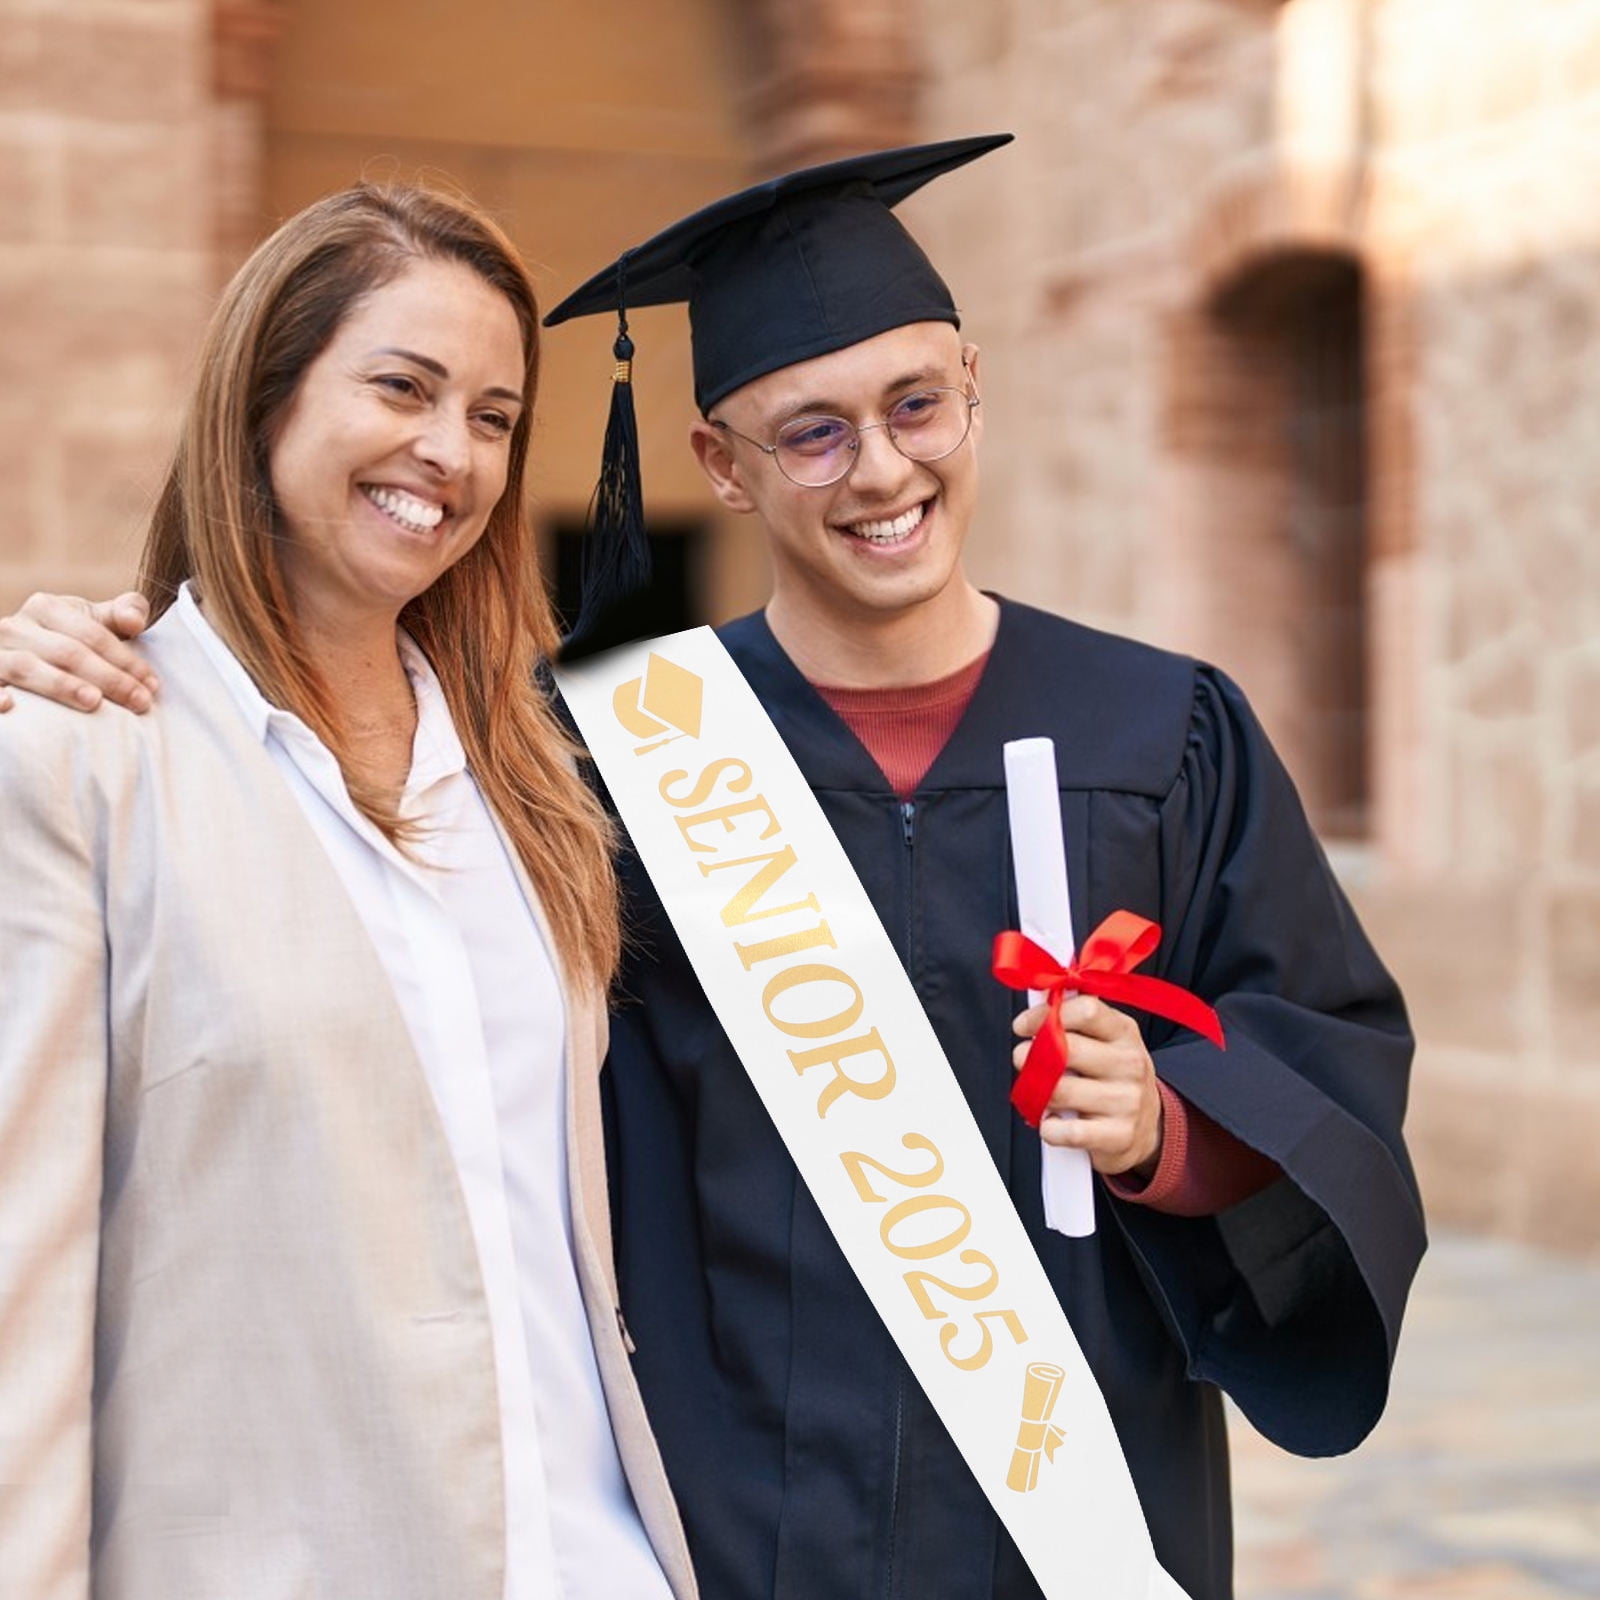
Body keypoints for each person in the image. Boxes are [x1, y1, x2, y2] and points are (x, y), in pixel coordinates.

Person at [1, 136, 1425, 1600]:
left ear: (976, 392)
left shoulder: (1162, 731)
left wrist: (1171, 1133)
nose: (882, 467)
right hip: (732, 1521)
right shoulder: (594, 758)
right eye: (810, 432)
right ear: (719, 469)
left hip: (1072, 1505)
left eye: (919, 404)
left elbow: (1326, 1052)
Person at [0, 183, 694, 1600]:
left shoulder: (533, 787)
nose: (448, 453)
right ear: (266, 397)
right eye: (404, 388)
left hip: (590, 1566)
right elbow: (20, 1304)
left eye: (495, 418)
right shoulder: (82, 768)